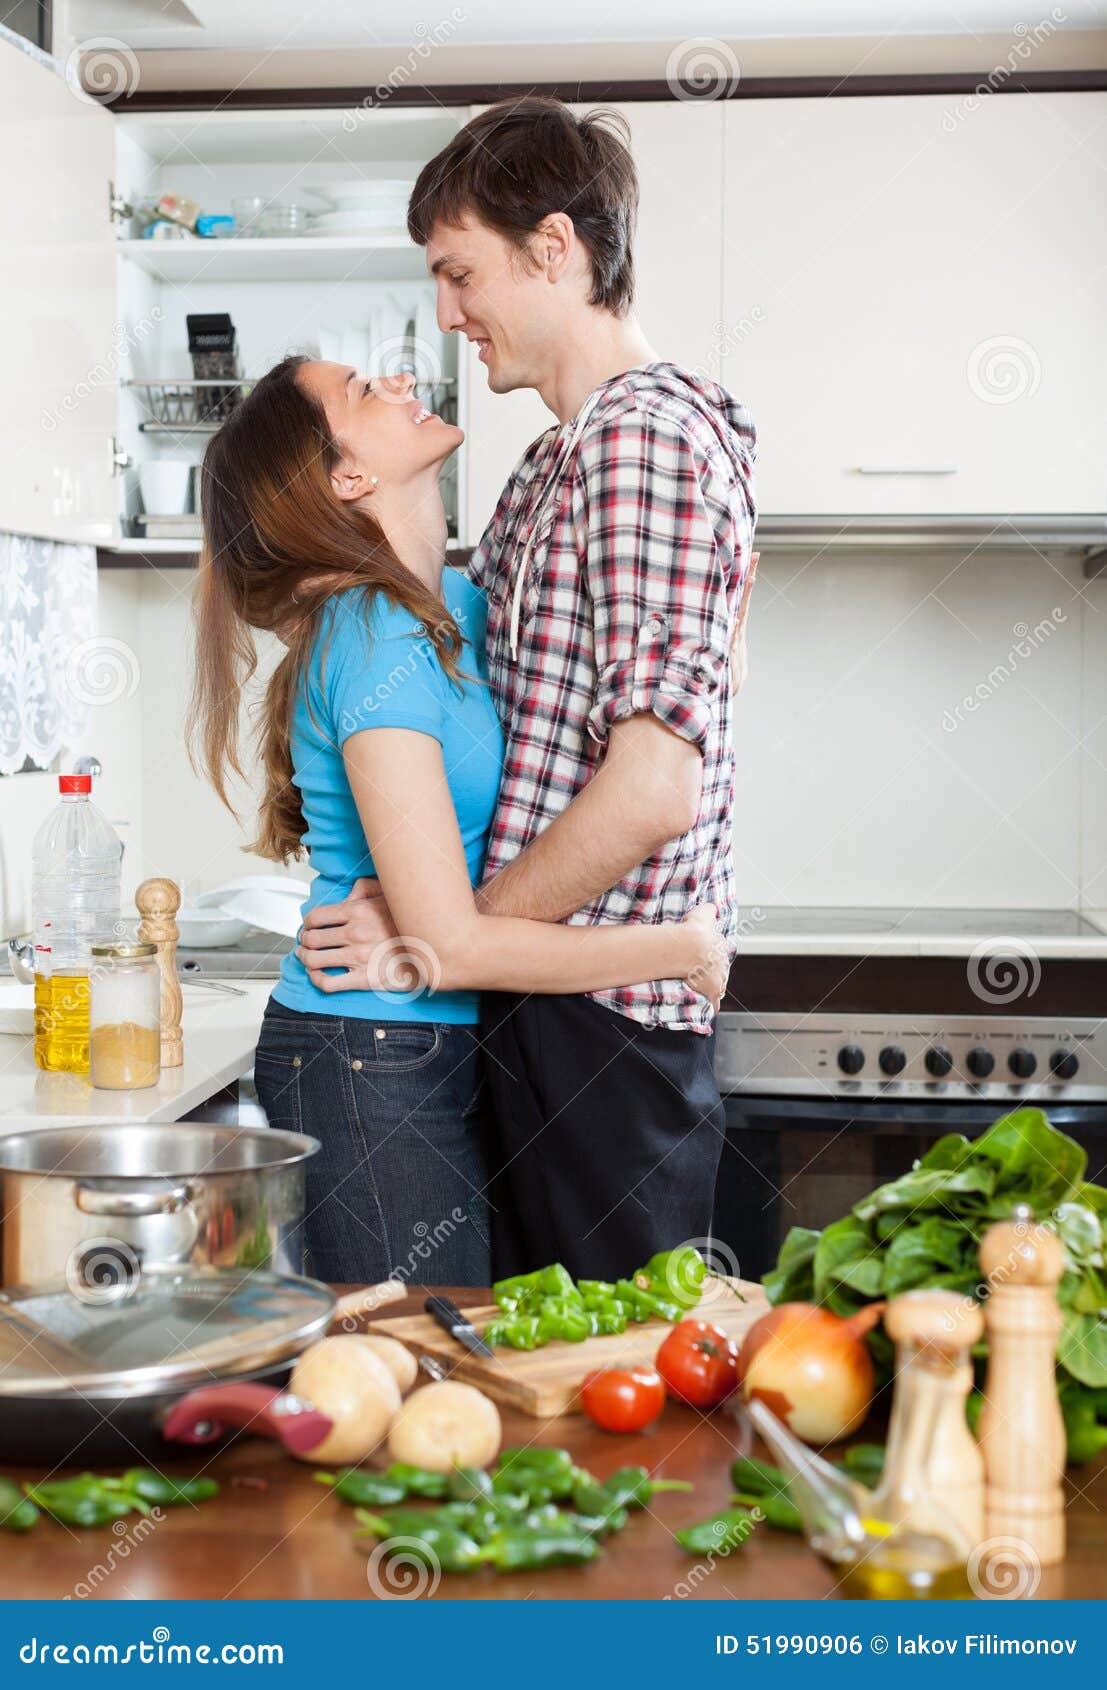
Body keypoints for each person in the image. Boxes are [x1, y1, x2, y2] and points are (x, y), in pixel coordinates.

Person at [297, 98, 758, 1281]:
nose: (446, 315)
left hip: (597, 1020)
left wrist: (445, 933)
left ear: (553, 248)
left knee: (629, 1415)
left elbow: (652, 788)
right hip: (545, 1001)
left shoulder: (640, 443)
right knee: (542, 1391)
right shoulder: (559, 456)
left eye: (459, 274)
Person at [187, 356, 724, 1288]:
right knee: (422, 1373)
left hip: (441, 1041)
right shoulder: (372, 633)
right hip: (368, 1051)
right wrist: (677, 947)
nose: (398, 378)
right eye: (361, 390)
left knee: (471, 1361)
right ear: (347, 478)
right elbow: (452, 947)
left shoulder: (457, 608)